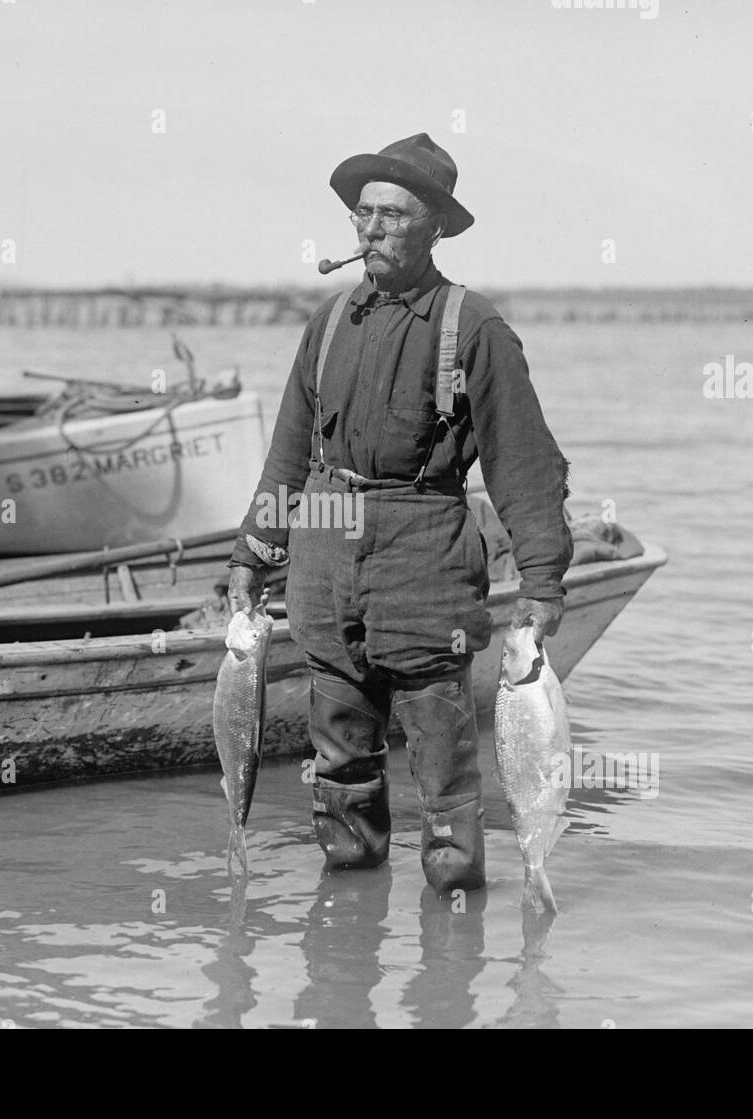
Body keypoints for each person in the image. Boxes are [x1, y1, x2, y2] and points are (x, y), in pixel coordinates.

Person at [227, 133, 573, 893]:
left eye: (392, 214)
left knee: (446, 779)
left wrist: (543, 586)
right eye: (363, 213)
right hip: (323, 574)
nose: (371, 229)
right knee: (340, 771)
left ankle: (452, 963)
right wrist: (253, 556)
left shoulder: (473, 329)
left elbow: (527, 469)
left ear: (436, 227)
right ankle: (346, 939)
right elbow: (288, 456)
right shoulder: (325, 326)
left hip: (425, 579)